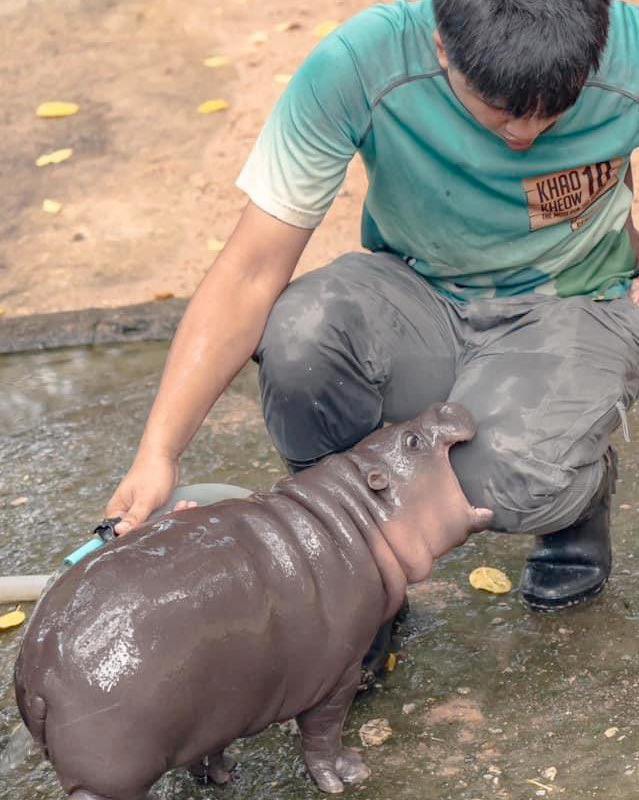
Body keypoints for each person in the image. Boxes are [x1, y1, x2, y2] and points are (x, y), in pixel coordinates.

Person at [107, 0, 639, 626]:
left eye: (554, 111)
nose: (524, 134)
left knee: (499, 482)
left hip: (570, 305)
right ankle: (352, 567)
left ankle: (576, 488)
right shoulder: (358, 63)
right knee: (302, 339)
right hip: (421, 291)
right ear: (442, 47)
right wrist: (159, 453)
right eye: (500, 109)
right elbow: (251, 272)